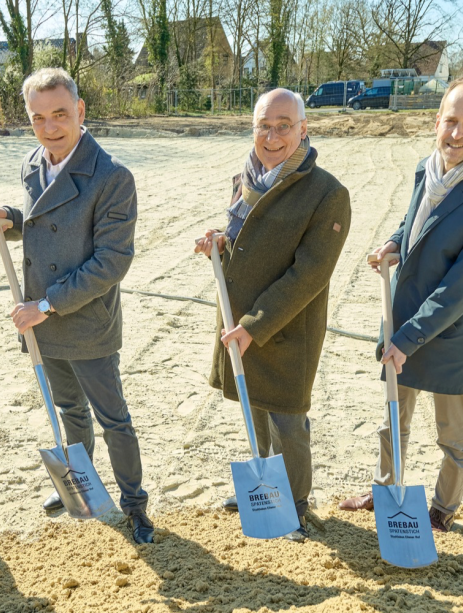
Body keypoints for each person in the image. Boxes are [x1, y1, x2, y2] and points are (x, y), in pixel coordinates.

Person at [0, 68, 153, 544]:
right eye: (38, 118)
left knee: (113, 420)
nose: (50, 127)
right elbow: (41, 222)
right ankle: (82, 487)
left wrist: (47, 305)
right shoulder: (34, 163)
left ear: (80, 111)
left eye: (59, 115)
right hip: (43, 321)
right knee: (69, 411)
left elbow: (111, 261)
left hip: (85, 319)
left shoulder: (113, 177)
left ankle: (135, 505)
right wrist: (8, 218)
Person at [339, 74, 463, 533]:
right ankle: (385, 493)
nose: (458, 133)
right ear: (437, 121)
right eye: (451, 121)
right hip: (401, 319)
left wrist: (409, 338)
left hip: (447, 331)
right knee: (391, 422)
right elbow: (414, 222)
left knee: (452, 435)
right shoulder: (427, 168)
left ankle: (443, 508)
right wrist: (393, 244)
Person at [194, 88, 351, 541]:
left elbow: (310, 275)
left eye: (284, 125)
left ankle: (296, 506)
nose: (273, 135)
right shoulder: (246, 177)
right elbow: (241, 239)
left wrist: (254, 326)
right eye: (264, 125)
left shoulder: (327, 193)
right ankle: (263, 487)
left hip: (283, 328)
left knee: (287, 420)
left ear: (304, 130)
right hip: (239, 319)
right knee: (254, 406)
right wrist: (218, 245)